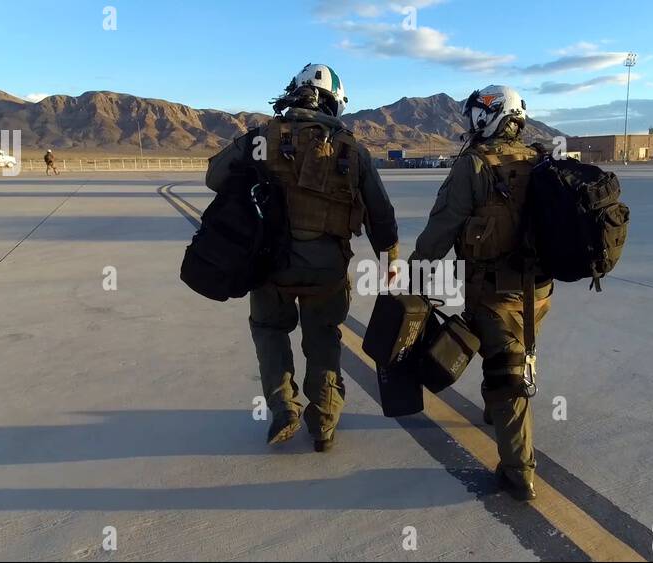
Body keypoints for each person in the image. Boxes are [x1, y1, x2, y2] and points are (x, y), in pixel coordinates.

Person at [206, 64, 399, 452]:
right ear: (333, 102)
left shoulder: (261, 137)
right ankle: (324, 423)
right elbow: (380, 211)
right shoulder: (352, 148)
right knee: (323, 337)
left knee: (270, 332)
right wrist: (389, 257)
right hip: (326, 270)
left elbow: (214, 177)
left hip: (269, 266)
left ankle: (283, 410)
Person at [408, 85, 550, 501]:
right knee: (516, 350)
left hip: (495, 293)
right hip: (540, 292)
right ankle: (497, 407)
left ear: (490, 116)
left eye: (475, 115)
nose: (470, 123)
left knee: (505, 375)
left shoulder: (474, 165)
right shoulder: (539, 160)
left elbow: (441, 228)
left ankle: (518, 471)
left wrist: (416, 275)